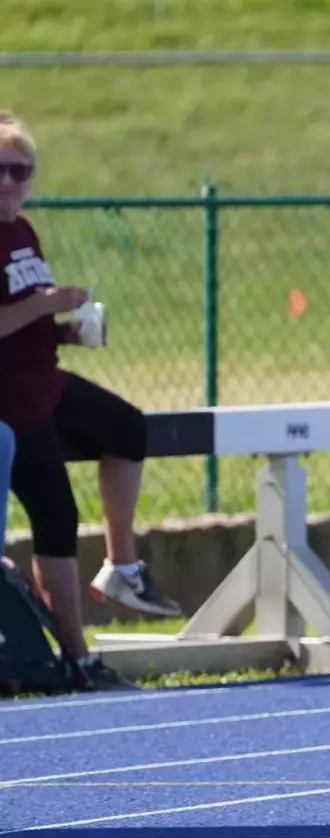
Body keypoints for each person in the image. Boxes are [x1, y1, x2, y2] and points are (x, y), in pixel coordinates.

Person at [0, 111, 182, 692]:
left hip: (44, 379)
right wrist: (46, 305)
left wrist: (66, 331)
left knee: (128, 428)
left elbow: (27, 319)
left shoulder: (23, 231)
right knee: (56, 518)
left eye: (19, 170)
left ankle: (122, 569)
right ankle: (76, 657)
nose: (7, 181)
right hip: (8, 402)